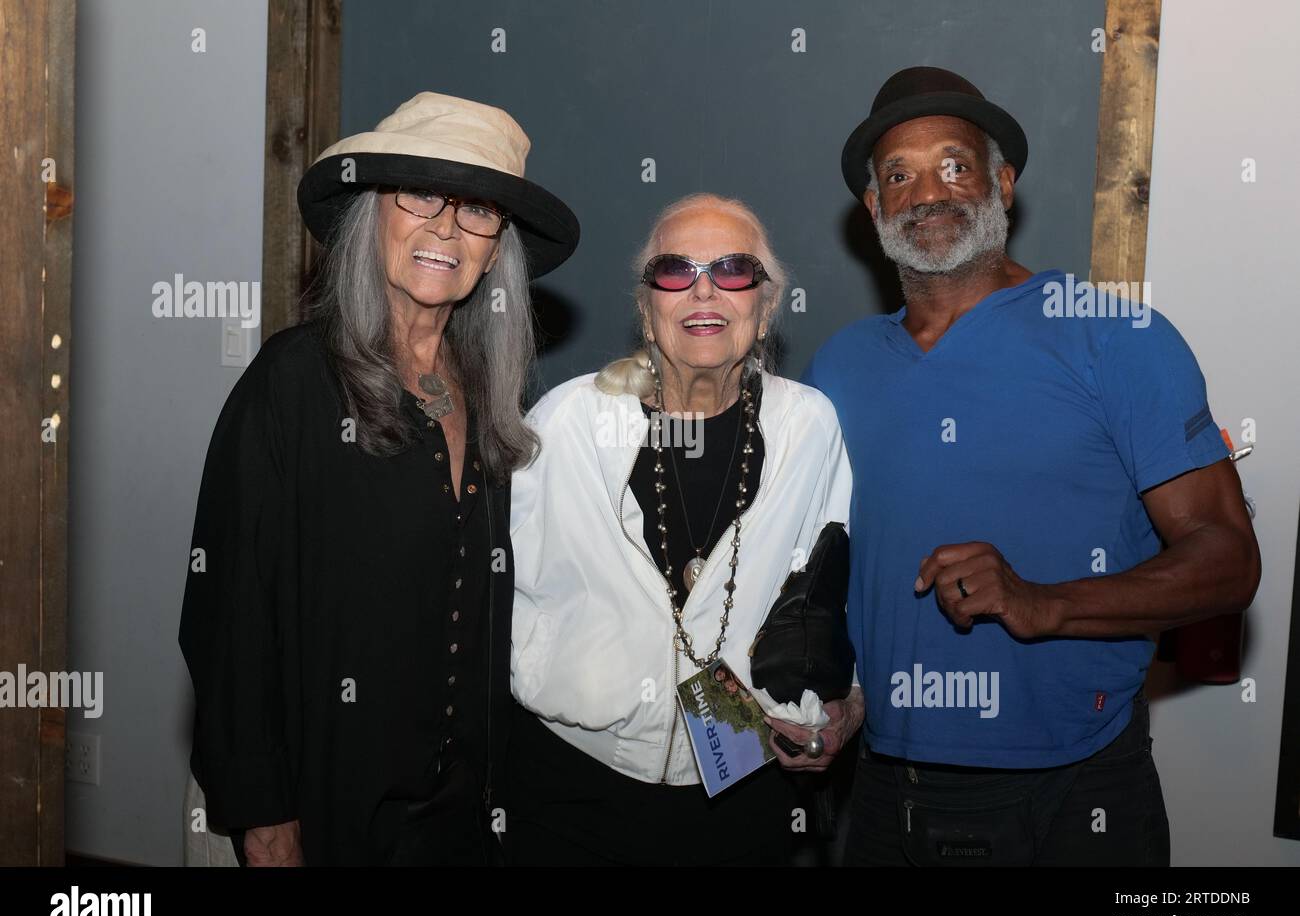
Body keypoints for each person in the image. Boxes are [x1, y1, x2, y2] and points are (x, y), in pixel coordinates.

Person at [807, 66, 1261, 865]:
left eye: (954, 164)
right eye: (898, 176)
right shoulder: (840, 366)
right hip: (884, 788)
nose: (928, 193)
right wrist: (841, 695)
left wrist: (1042, 602)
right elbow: (832, 566)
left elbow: (1227, 561)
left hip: (1076, 794)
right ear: (874, 208)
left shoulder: (1115, 338)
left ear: (1003, 182)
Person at [179, 91, 578, 865]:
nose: (446, 228)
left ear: (496, 251)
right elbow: (229, 617)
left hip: (454, 818)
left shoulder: (490, 398)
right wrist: (265, 821)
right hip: (324, 808)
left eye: (478, 211)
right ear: (372, 214)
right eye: (421, 195)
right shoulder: (292, 382)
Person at [507, 193, 857, 865]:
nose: (704, 291)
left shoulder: (807, 427)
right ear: (646, 306)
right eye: (675, 270)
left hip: (742, 790)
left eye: (733, 270)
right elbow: (504, 586)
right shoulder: (568, 422)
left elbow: (825, 584)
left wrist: (833, 707)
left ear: (766, 306)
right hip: (573, 785)